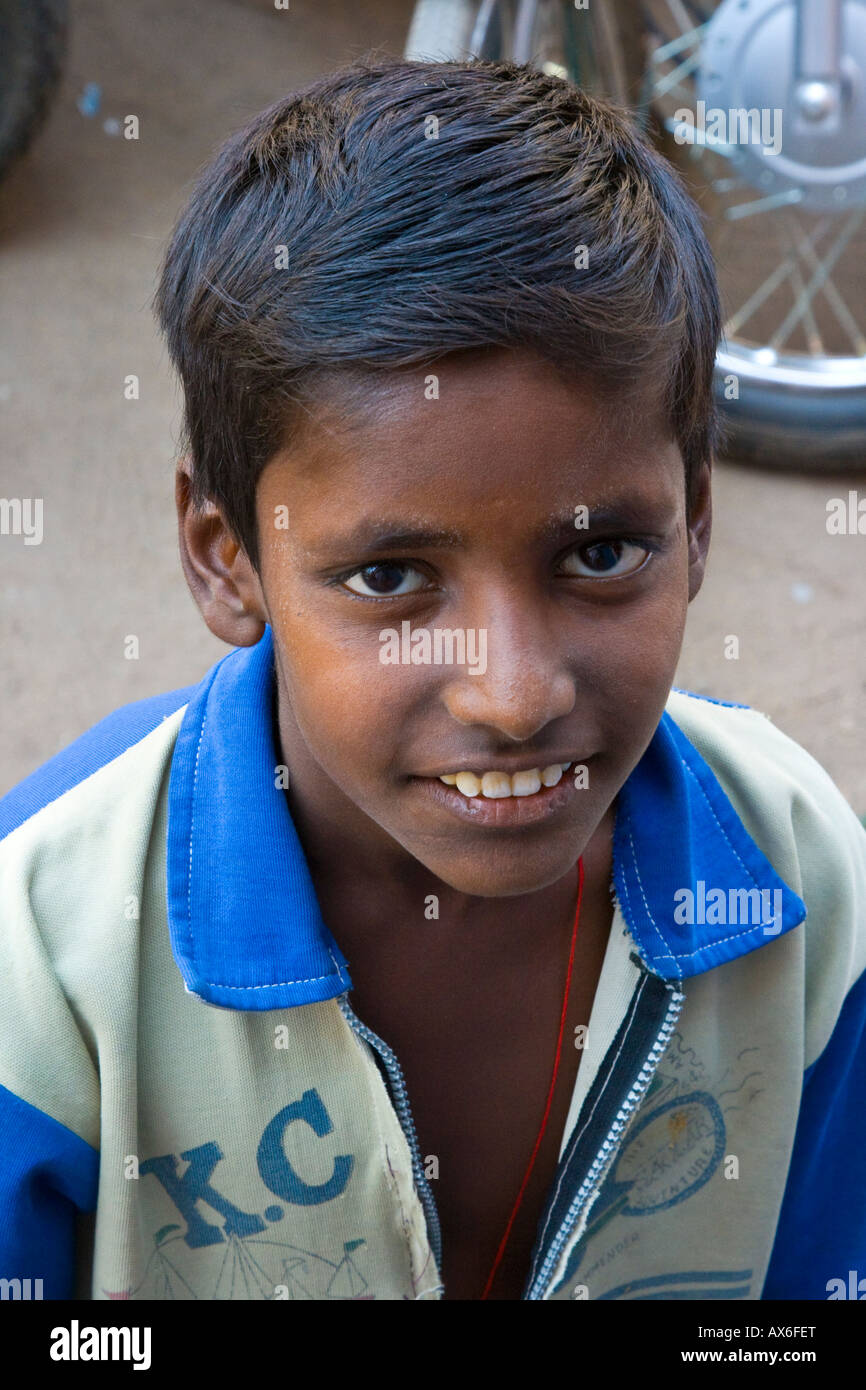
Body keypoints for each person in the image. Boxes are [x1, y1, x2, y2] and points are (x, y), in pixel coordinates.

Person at [1, 58, 864, 1303]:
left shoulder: (794, 884)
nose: (512, 695)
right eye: (391, 576)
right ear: (225, 554)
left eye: (599, 553)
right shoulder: (48, 955)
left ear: (697, 526)